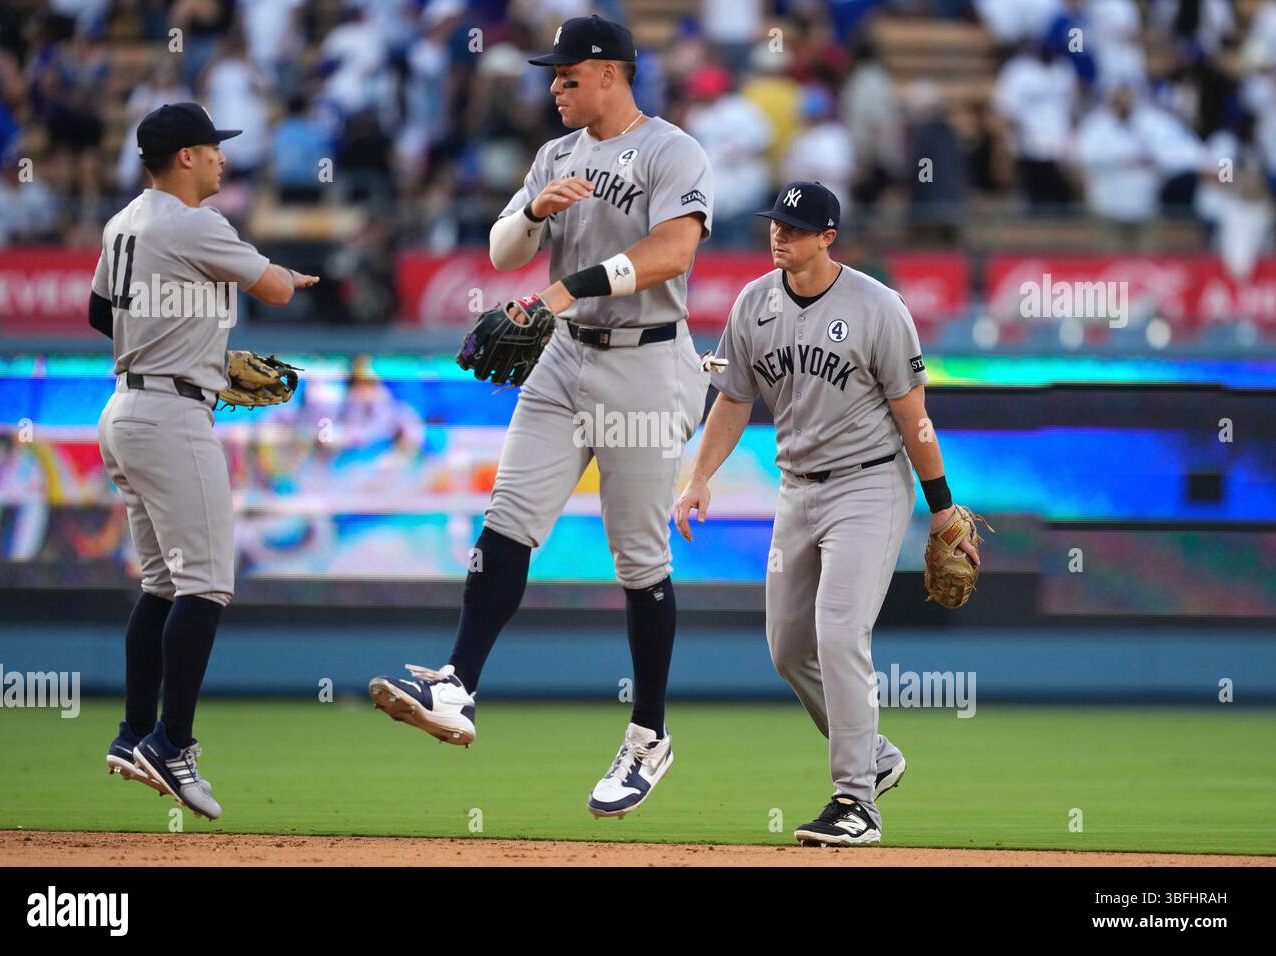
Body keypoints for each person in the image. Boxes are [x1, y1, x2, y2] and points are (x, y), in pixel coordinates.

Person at [368, 15, 714, 819]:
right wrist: (532, 216)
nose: (553, 86)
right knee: (508, 517)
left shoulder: (672, 150)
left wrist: (565, 289)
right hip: (566, 358)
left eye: (566, 74)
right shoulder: (555, 155)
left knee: (638, 558)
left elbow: (675, 252)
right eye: (552, 74)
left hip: (648, 360)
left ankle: (648, 736)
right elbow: (501, 253)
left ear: (610, 73)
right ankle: (457, 684)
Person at [673, 181, 979, 846]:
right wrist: (698, 477)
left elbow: (913, 417)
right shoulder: (753, 304)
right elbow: (732, 399)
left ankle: (856, 802)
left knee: (839, 632)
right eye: (776, 224)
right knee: (788, 648)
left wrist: (943, 507)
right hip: (797, 489)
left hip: (869, 486)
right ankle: (874, 757)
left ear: (828, 236)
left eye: (795, 226)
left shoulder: (877, 307)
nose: (779, 235)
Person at [94, 102, 317, 819]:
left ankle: (133, 733)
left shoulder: (123, 220)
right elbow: (276, 288)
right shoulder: (194, 222)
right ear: (184, 157)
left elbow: (103, 315)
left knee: (162, 584)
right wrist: (287, 277)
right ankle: (172, 743)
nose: (222, 157)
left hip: (125, 407)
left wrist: (193, 349)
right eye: (212, 147)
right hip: (171, 413)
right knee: (207, 585)